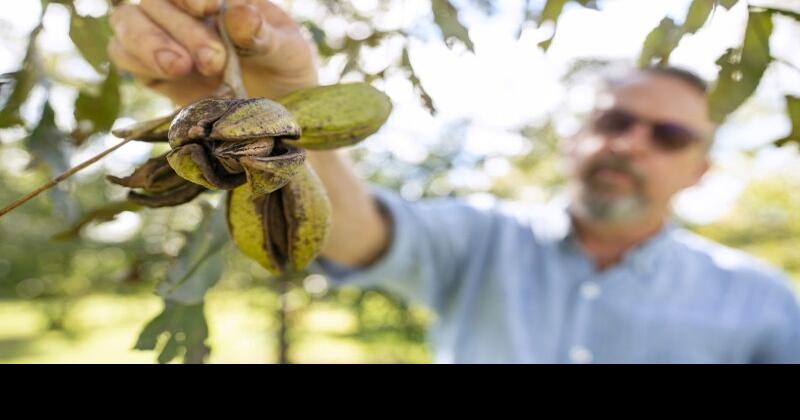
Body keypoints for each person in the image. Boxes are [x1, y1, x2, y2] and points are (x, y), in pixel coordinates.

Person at [109, 0, 800, 363]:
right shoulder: (482, 239)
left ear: (701, 169)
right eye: (615, 119)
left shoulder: (764, 303)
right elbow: (353, 234)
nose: (629, 142)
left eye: (668, 135)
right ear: (577, 134)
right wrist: (284, 103)